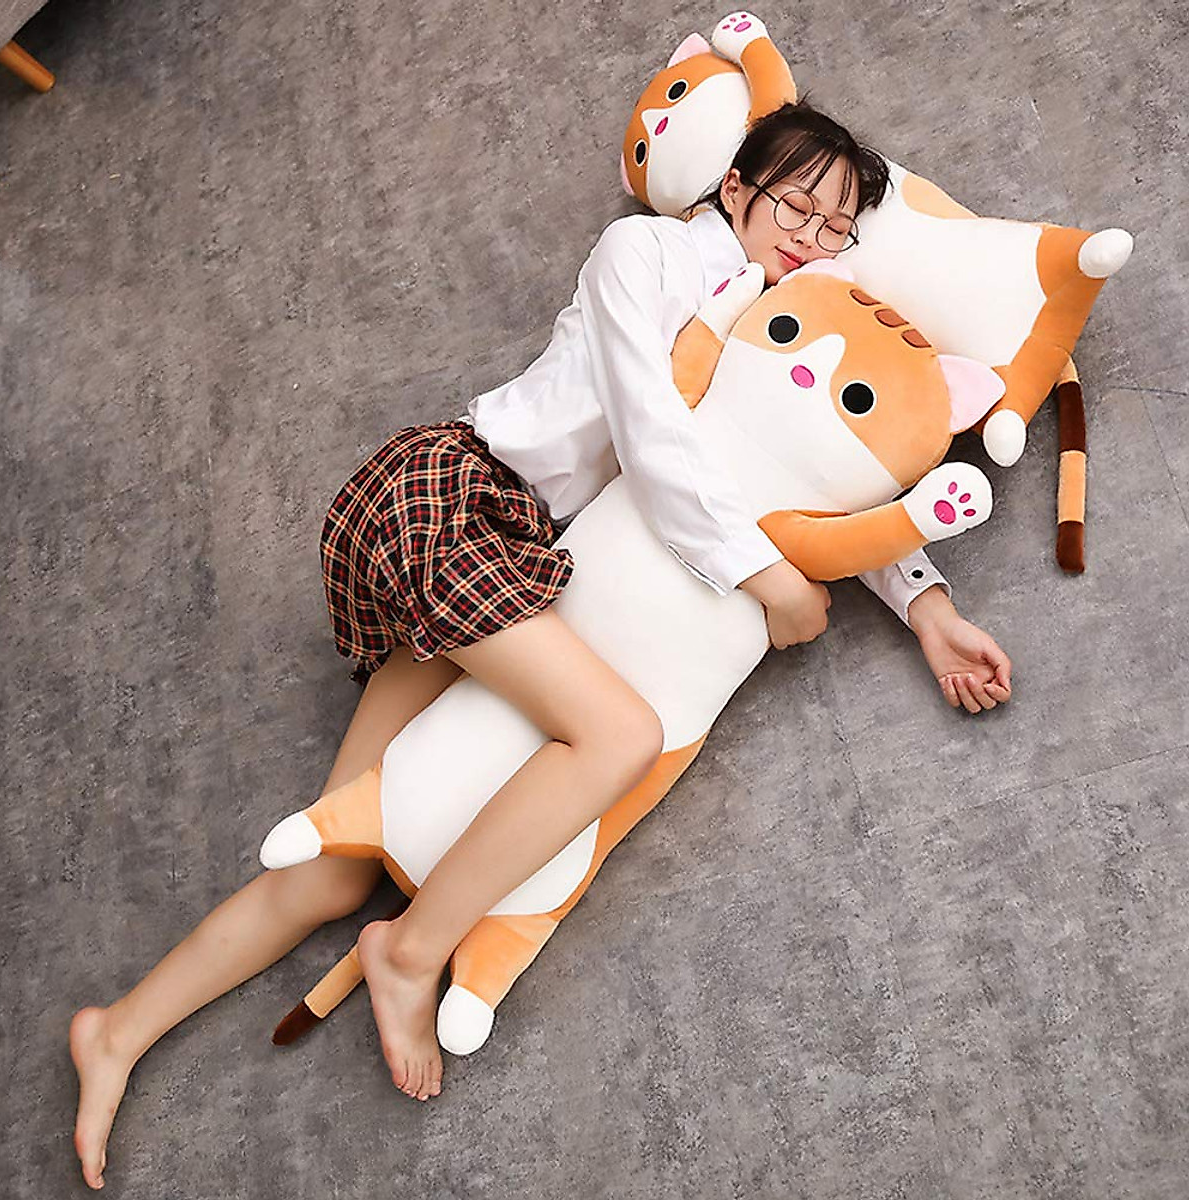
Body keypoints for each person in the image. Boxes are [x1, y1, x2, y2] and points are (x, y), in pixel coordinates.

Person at [69, 99, 1010, 1189]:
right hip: (453, 501)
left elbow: (817, 471)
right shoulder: (645, 253)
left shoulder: (775, 318)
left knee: (339, 868)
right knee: (618, 735)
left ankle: (115, 1031)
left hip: (521, 561)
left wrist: (927, 606)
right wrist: (770, 584)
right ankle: (411, 954)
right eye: (797, 204)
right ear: (736, 187)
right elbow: (654, 439)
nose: (811, 235)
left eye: (837, 225)